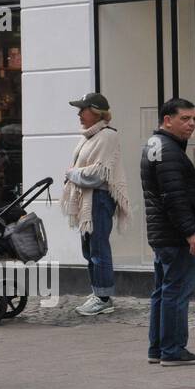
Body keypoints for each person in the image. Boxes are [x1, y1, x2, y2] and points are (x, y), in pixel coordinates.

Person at [141, 98, 195, 366]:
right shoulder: (168, 149)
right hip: (175, 235)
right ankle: (172, 350)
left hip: (164, 234)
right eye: (185, 119)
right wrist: (191, 232)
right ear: (167, 120)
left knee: (163, 290)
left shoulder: (157, 145)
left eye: (194, 118)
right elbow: (174, 196)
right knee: (176, 291)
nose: (191, 124)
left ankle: (158, 348)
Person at [62, 93, 132, 317]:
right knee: (89, 248)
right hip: (89, 199)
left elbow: (98, 174)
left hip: (99, 199)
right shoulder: (89, 136)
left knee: (98, 248)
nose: (79, 114)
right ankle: (99, 292)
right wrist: (76, 175)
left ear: (96, 111)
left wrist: (72, 173)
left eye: (83, 109)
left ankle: (103, 297)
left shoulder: (106, 136)